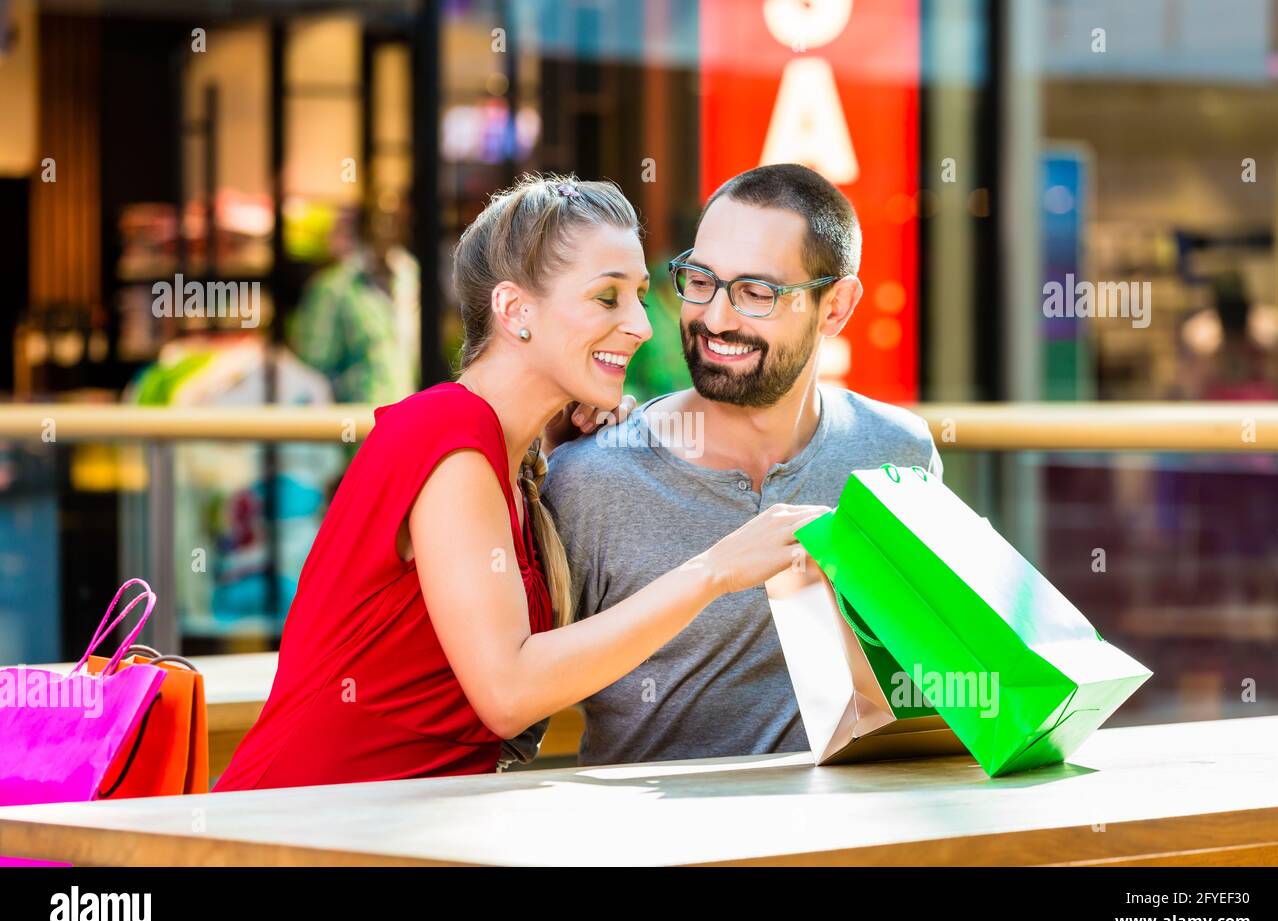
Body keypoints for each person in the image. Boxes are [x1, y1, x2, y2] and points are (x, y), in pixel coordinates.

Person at [213, 173, 825, 790]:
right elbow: (508, 692)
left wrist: (557, 445)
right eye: (607, 298)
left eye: (641, 296)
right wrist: (713, 570)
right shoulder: (448, 434)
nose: (641, 325)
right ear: (513, 311)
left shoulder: (516, 460)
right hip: (302, 827)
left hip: (389, 826)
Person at [544, 163, 943, 766]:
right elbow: (512, 701)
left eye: (757, 293)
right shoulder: (591, 478)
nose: (717, 318)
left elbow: (935, 675)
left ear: (836, 308)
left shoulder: (898, 458)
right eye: (701, 281)